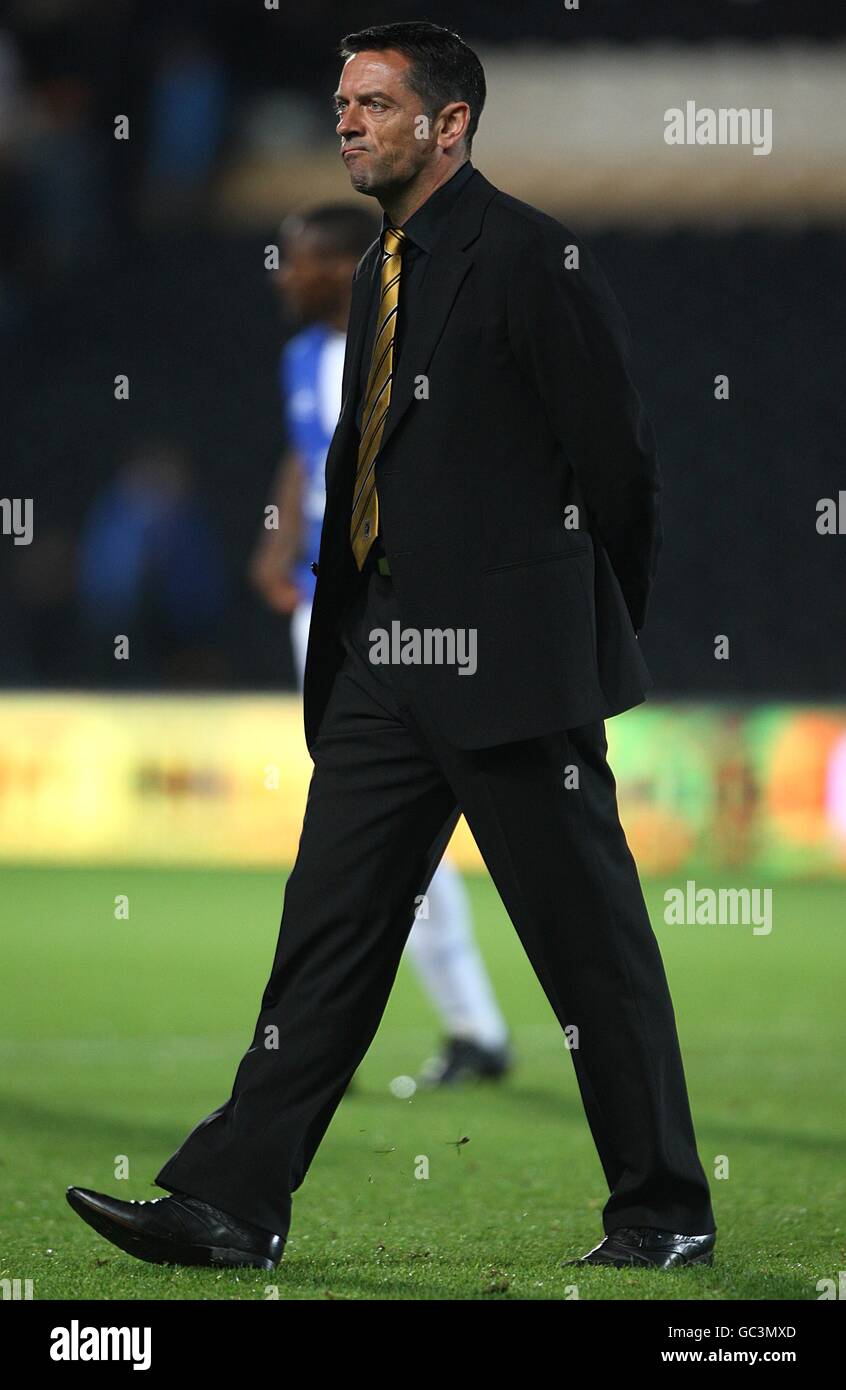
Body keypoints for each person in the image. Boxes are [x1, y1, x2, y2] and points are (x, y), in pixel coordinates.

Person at [68, 20, 716, 1272]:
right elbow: (364, 461)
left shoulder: (532, 257)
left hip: (513, 669)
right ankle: (232, 1204)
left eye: (373, 103)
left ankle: (665, 1206)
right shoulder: (381, 267)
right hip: (384, 660)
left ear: (449, 123)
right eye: (341, 102)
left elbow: (621, 468)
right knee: (324, 941)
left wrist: (580, 634)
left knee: (591, 952)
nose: (346, 122)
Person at [249, 202, 512, 1087]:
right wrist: (277, 541)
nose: (283, 274)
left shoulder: (409, 341)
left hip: (399, 614)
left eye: (298, 260)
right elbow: (303, 453)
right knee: (365, 826)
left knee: (390, 822)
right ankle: (463, 1029)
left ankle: (424, 1029)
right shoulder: (300, 356)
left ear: (341, 264)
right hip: (322, 611)